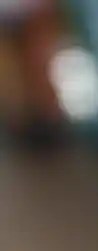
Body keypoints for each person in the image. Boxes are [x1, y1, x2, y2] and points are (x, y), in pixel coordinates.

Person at [0, 0, 63, 147]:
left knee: (38, 62)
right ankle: (26, 126)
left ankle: (47, 121)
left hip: (33, 10)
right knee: (11, 73)